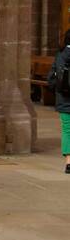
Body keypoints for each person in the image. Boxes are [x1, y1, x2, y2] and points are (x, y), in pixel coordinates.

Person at [47, 30, 70, 173]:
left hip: (64, 98)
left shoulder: (60, 55)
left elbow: (51, 79)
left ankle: (69, 162)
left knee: (67, 130)